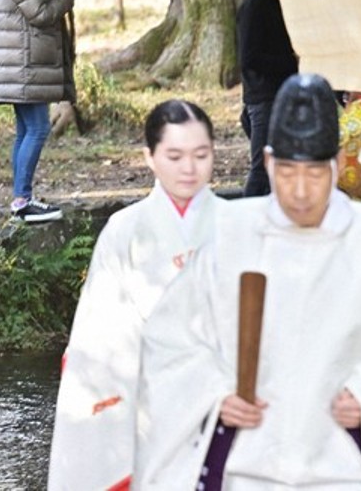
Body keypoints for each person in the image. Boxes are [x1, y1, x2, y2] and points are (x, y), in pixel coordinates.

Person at [135, 74, 361, 489]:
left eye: (315, 175)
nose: (300, 192)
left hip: (343, 469)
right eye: (286, 173)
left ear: (337, 164)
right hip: (250, 467)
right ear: (267, 162)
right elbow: (169, 341)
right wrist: (213, 394)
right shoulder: (232, 235)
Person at [48, 100, 221, 490]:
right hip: (147, 411)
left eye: (201, 155)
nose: (189, 168)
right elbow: (100, 338)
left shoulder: (238, 226)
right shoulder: (124, 231)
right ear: (150, 157)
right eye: (174, 155)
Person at [0, 0, 85, 222]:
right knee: (36, 129)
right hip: (24, 67)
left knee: (26, 131)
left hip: (25, 66)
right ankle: (22, 200)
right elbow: (41, 14)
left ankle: (21, 199)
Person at [236, 0, 298, 197]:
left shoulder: (279, 4)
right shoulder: (253, 6)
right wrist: (291, 62)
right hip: (263, 96)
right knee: (261, 168)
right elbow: (249, 59)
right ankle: (247, 221)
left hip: (282, 92)